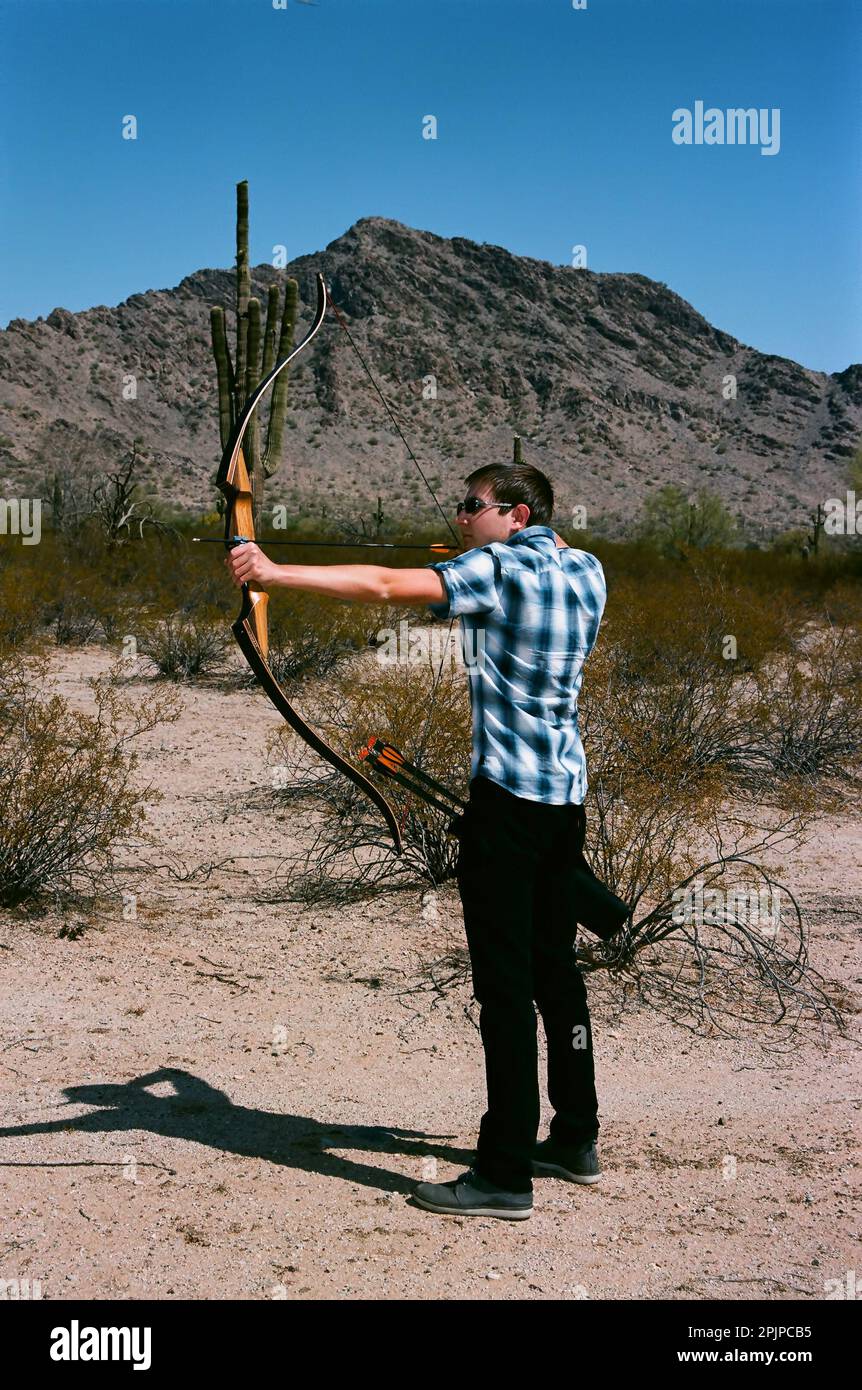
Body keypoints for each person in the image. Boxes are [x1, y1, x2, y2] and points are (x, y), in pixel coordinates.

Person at [226, 462, 607, 1222]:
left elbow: (380, 587)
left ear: (517, 513)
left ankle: (503, 1175)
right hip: (563, 803)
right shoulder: (589, 570)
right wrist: (466, 558)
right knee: (555, 975)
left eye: (475, 506)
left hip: (505, 807)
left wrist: (270, 571)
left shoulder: (493, 569)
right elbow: (501, 581)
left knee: (504, 990)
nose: (463, 517)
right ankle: (574, 1136)